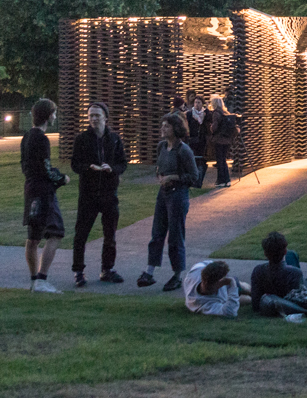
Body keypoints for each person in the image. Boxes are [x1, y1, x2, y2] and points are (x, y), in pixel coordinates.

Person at [69, 102, 129, 287]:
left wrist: (112, 169)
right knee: (81, 233)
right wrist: (89, 168)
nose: (93, 119)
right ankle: (79, 271)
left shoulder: (114, 139)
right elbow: (75, 164)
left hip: (109, 193)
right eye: (90, 116)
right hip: (88, 194)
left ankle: (107, 269)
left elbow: (122, 164)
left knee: (110, 233)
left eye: (97, 115)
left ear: (106, 117)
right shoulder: (82, 139)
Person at [138, 112, 199, 291]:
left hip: (178, 195)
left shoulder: (184, 150)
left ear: (176, 128)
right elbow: (160, 166)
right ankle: (149, 272)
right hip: (163, 194)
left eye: (167, 126)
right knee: (157, 233)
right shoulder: (162, 147)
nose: (163, 129)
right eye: (162, 125)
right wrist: (160, 175)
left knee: (175, 236)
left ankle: (177, 275)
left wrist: (173, 177)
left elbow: (194, 177)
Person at [21, 98, 67, 292]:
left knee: (33, 237)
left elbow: (27, 165)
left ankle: (33, 280)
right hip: (43, 192)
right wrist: (61, 178)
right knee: (55, 232)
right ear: (49, 115)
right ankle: (41, 279)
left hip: (30, 189)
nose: (55, 116)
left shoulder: (26, 137)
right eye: (54, 113)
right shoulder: (42, 138)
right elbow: (46, 168)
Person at [249, 230, 307, 317]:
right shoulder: (294, 273)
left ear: (265, 253)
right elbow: (301, 300)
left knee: (291, 254)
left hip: (284, 286)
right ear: (284, 251)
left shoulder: (258, 271)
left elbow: (256, 304)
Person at [184, 259, 249, 317]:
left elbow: (205, 264)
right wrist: (232, 285)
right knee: (249, 299)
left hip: (225, 291)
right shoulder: (206, 305)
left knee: (245, 287)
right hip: (225, 299)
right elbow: (230, 312)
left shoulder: (195, 273)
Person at [206, 94, 241, 188]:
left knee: (220, 160)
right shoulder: (226, 112)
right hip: (227, 140)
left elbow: (215, 127)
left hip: (219, 140)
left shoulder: (216, 113)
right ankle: (227, 180)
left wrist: (211, 128)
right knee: (223, 160)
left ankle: (221, 180)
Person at [185, 93, 209, 184]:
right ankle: (193, 178)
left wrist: (207, 109)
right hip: (192, 139)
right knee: (193, 158)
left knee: (201, 159)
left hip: (202, 139)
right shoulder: (190, 114)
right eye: (195, 102)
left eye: (199, 102)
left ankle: (199, 179)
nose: (197, 104)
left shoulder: (205, 113)